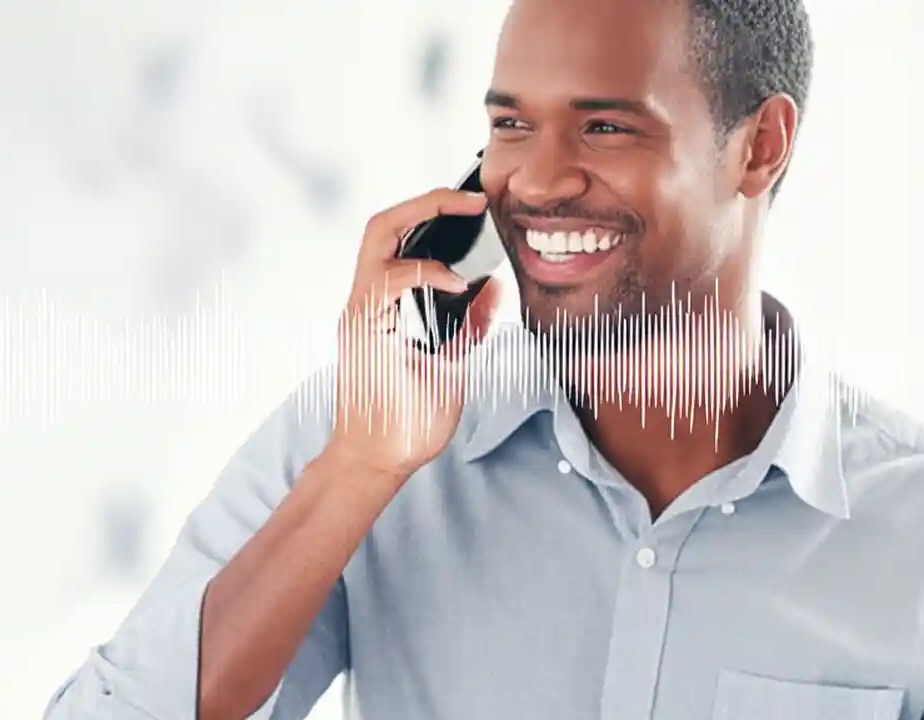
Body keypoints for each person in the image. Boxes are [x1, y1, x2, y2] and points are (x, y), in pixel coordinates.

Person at [45, 0, 924, 717]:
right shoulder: (362, 434)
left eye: (606, 126)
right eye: (510, 124)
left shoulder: (905, 526)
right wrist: (358, 471)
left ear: (760, 146)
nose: (535, 181)